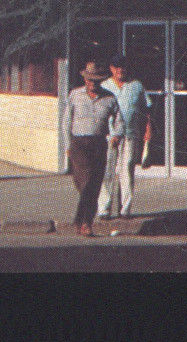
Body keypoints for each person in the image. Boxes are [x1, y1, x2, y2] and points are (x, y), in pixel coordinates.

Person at [62, 63, 120, 237]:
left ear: (101, 81)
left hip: (99, 143)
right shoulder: (75, 95)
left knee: (94, 185)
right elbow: (66, 122)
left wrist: (116, 134)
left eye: (96, 80)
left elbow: (119, 119)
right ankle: (83, 221)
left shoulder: (109, 98)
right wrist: (67, 146)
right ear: (84, 79)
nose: (92, 83)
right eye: (89, 80)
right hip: (79, 144)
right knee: (86, 182)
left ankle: (84, 222)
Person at [98, 57, 153, 220]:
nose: (120, 70)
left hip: (130, 134)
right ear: (111, 68)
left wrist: (148, 130)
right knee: (107, 171)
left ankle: (125, 209)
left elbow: (147, 109)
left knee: (127, 171)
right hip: (109, 135)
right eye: (116, 67)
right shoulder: (104, 86)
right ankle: (104, 209)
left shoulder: (137, 86)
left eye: (123, 67)